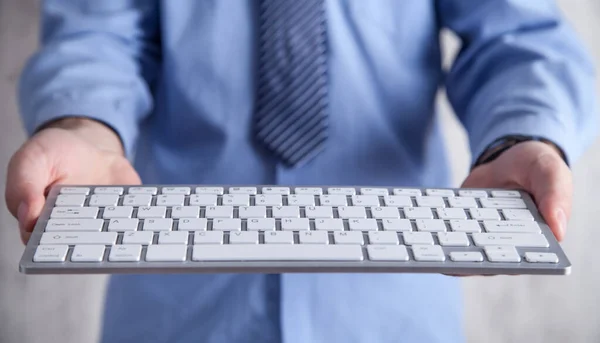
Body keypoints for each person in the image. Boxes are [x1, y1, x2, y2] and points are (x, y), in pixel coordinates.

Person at [5, 1, 598, 342]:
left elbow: (515, 38)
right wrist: (82, 126)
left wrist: (522, 137)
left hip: (393, 306)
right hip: (177, 307)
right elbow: (99, 31)